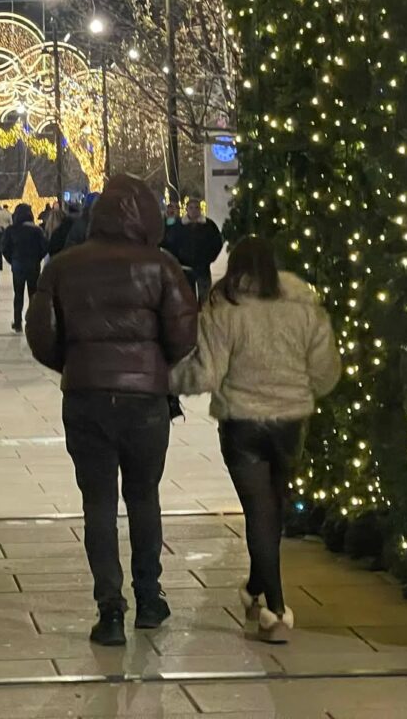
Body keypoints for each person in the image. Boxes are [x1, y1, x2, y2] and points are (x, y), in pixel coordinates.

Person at [26, 174, 198, 648]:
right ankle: (149, 597)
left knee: (98, 503)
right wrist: (152, 367)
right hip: (146, 401)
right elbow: (184, 334)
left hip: (86, 398)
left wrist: (76, 364)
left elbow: (41, 335)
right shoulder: (161, 266)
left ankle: (110, 609)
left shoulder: (63, 266)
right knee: (144, 496)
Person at [170, 237, 340, 645]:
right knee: (273, 506)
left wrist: (165, 379)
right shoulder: (303, 302)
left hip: (242, 422)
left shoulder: (223, 304)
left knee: (259, 512)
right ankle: (254, 588)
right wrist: (303, 390)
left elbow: (207, 373)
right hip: (290, 422)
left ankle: (275, 610)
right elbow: (326, 369)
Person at [1, 203, 47, 333]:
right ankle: (34, 321)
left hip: (18, 265)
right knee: (33, 294)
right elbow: (44, 247)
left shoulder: (11, 230)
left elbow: (4, 248)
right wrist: (37, 258)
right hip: (33, 265)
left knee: (18, 294)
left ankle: (17, 322)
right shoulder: (36, 230)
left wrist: (12, 260)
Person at [185, 200, 225, 297]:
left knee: (204, 295)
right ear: (187, 209)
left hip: (203, 268)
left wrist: (209, 258)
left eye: (196, 207)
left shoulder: (209, 225)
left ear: (200, 209)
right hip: (184, 269)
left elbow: (217, 242)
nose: (194, 210)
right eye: (191, 208)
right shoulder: (180, 226)